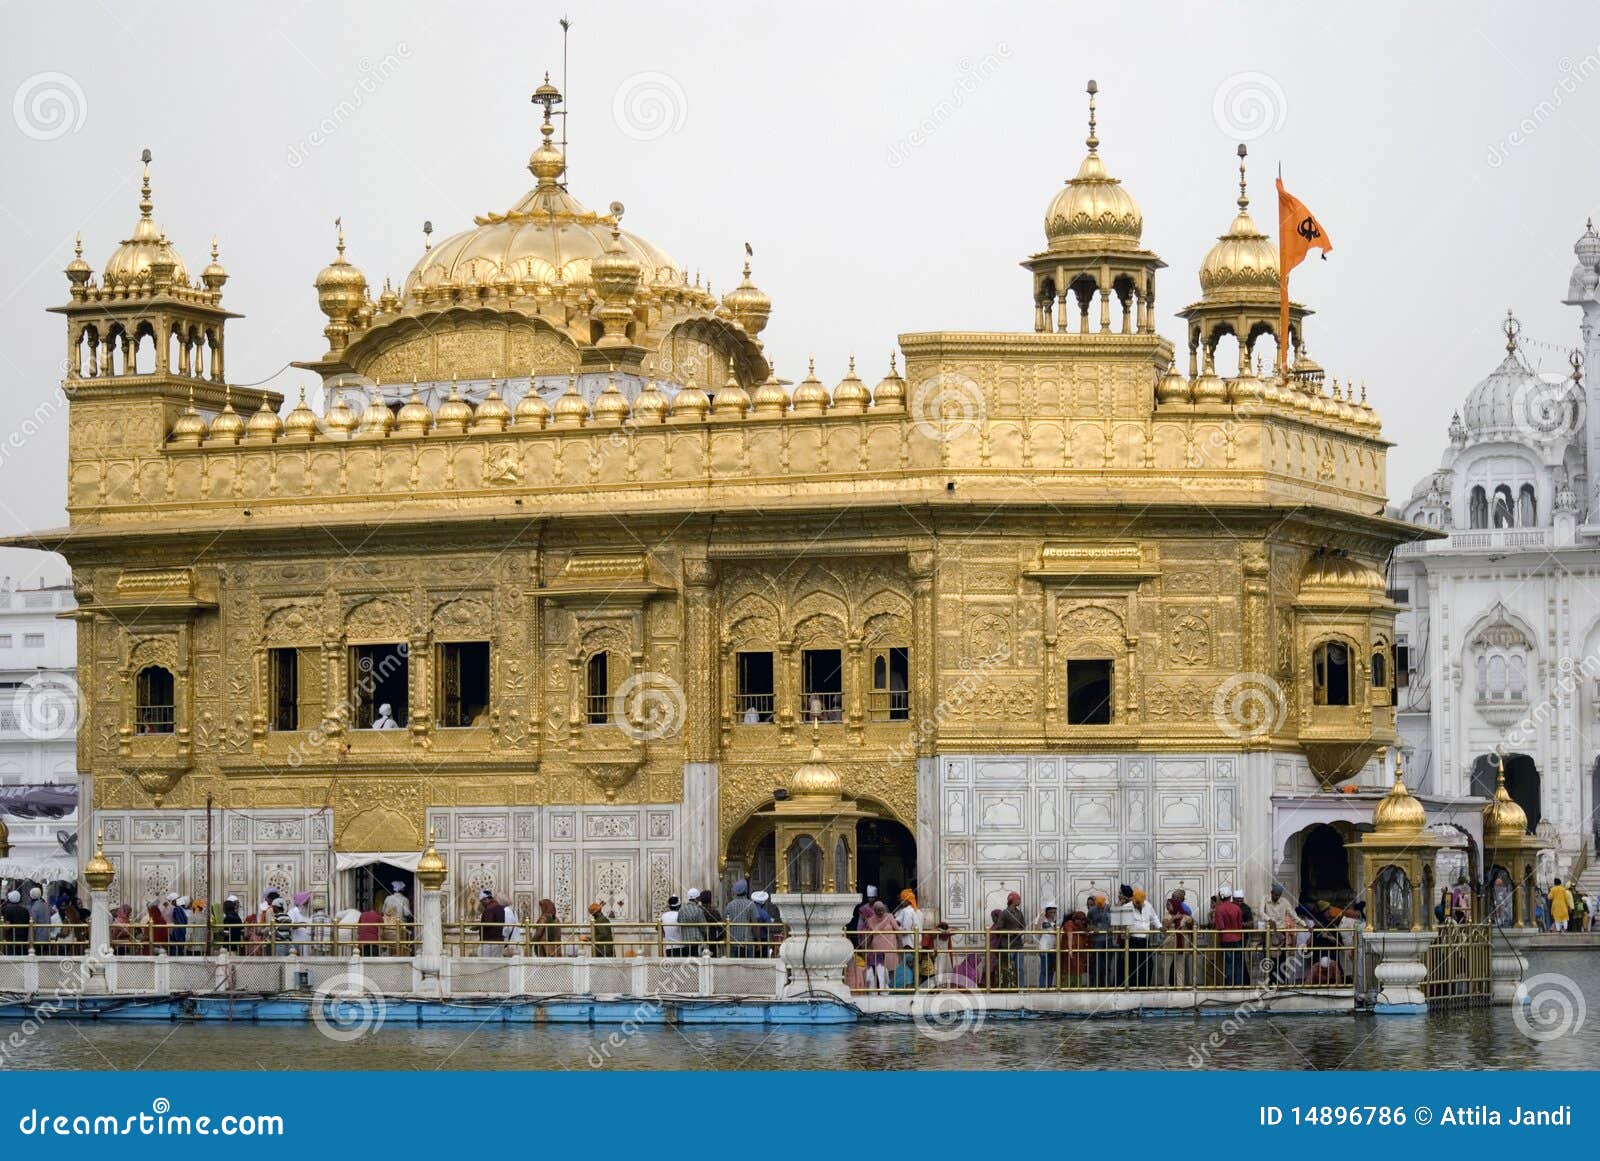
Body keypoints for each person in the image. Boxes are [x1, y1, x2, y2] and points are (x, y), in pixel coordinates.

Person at [861, 899, 900, 989]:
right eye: (878, 910)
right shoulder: (871, 920)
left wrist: (900, 944)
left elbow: (897, 930)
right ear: (874, 910)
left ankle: (891, 988)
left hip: (890, 947)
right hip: (878, 949)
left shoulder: (889, 916)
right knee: (880, 970)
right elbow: (870, 935)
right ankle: (881, 989)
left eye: (882, 909)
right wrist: (865, 948)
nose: (881, 912)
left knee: (891, 969)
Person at [1126, 887, 1160, 987]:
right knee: (1133, 965)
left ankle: (1144, 986)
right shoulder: (1127, 907)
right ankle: (1133, 987)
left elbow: (1154, 918)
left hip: (1145, 941)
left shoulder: (1148, 906)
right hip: (1132, 941)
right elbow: (1121, 923)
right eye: (1136, 903)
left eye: (1140, 903)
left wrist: (1160, 927)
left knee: (1148, 965)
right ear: (1133, 900)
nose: (1138, 905)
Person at [1260, 884, 1296, 979]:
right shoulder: (1265, 899)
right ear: (1271, 893)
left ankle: (1281, 981)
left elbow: (1294, 916)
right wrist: (1270, 920)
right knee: (1268, 958)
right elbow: (1261, 912)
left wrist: (1304, 924)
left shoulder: (1284, 902)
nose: (1276, 897)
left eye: (1278, 895)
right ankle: (1269, 981)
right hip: (1269, 933)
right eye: (1275, 895)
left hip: (1280, 933)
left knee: (1281, 958)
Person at [1212, 890, 1245, 986]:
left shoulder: (1219, 909)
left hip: (1225, 939)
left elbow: (1220, 926)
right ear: (1230, 897)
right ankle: (1239, 985)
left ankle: (1230, 985)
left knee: (1228, 963)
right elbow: (1240, 924)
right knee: (1238, 963)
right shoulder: (1237, 908)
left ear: (1220, 897)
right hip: (1238, 938)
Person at [995, 891, 1026, 989]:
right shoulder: (1005, 913)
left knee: (1020, 968)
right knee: (1007, 968)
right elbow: (998, 929)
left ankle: (1020, 988)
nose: (1020, 900)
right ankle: (1008, 988)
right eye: (1018, 899)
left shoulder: (1019, 913)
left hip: (1018, 945)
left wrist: (1021, 932)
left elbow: (1023, 926)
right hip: (1007, 945)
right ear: (1012, 900)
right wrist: (1011, 932)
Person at [893, 889, 924, 985]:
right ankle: (916, 986)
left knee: (908, 966)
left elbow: (906, 930)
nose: (900, 902)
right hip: (917, 943)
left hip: (908, 944)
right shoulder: (919, 912)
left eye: (902, 900)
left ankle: (909, 986)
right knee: (915, 966)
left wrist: (896, 929)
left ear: (907, 900)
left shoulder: (906, 911)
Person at [1164, 889, 1194, 986]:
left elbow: (1193, 924)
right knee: (1166, 967)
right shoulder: (1167, 915)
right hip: (1169, 945)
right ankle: (1166, 987)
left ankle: (1180, 987)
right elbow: (1164, 926)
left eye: (1169, 905)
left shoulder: (1184, 913)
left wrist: (1185, 919)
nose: (1167, 907)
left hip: (1181, 945)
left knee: (1180, 967)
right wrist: (1174, 918)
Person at [724, 879, 760, 957]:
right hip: (747, 942)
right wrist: (758, 940)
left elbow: (725, 924)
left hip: (733, 942)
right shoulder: (751, 904)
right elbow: (755, 925)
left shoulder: (729, 905)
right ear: (746, 891)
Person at [1086, 892, 1112, 988]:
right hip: (1097, 941)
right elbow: (1088, 924)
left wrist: (1111, 927)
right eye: (1098, 905)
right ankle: (1096, 986)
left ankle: (1107, 986)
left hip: (1108, 940)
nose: (1100, 907)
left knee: (1107, 965)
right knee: (1097, 964)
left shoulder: (1109, 909)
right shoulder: (1091, 911)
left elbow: (1115, 921)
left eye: (1102, 905)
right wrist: (1093, 928)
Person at [382, 880, 412, 954]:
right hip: (400, 927)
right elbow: (407, 913)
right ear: (402, 890)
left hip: (388, 926)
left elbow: (383, 911)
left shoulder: (388, 898)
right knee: (400, 946)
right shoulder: (404, 899)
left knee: (388, 945)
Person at [676, 888, 707, 957]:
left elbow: (679, 921)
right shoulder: (698, 910)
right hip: (697, 940)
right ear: (697, 898)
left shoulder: (681, 910)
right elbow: (703, 926)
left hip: (685, 941)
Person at [1035, 903, 1060, 989]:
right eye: (1050, 912)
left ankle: (1049, 986)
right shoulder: (1042, 919)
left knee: (1051, 969)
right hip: (1044, 947)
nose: (1052, 914)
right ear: (1046, 912)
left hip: (1053, 947)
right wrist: (1041, 918)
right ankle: (1042, 987)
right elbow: (1037, 929)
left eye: (1054, 912)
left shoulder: (1055, 921)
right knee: (1044, 969)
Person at [479, 889, 506, 956]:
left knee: (482, 958)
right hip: (498, 940)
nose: (482, 904)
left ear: (485, 899)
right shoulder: (499, 907)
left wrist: (478, 926)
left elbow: (487, 923)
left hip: (490, 942)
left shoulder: (490, 909)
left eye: (482, 902)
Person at [27, 887, 52, 956]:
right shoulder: (46, 905)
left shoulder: (34, 907)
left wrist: (30, 939)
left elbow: (33, 924)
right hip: (47, 937)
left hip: (37, 939)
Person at [288, 891, 313, 956]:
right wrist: (301, 924)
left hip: (307, 942)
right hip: (297, 942)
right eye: (306, 902)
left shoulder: (306, 911)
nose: (308, 903)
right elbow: (290, 925)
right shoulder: (293, 911)